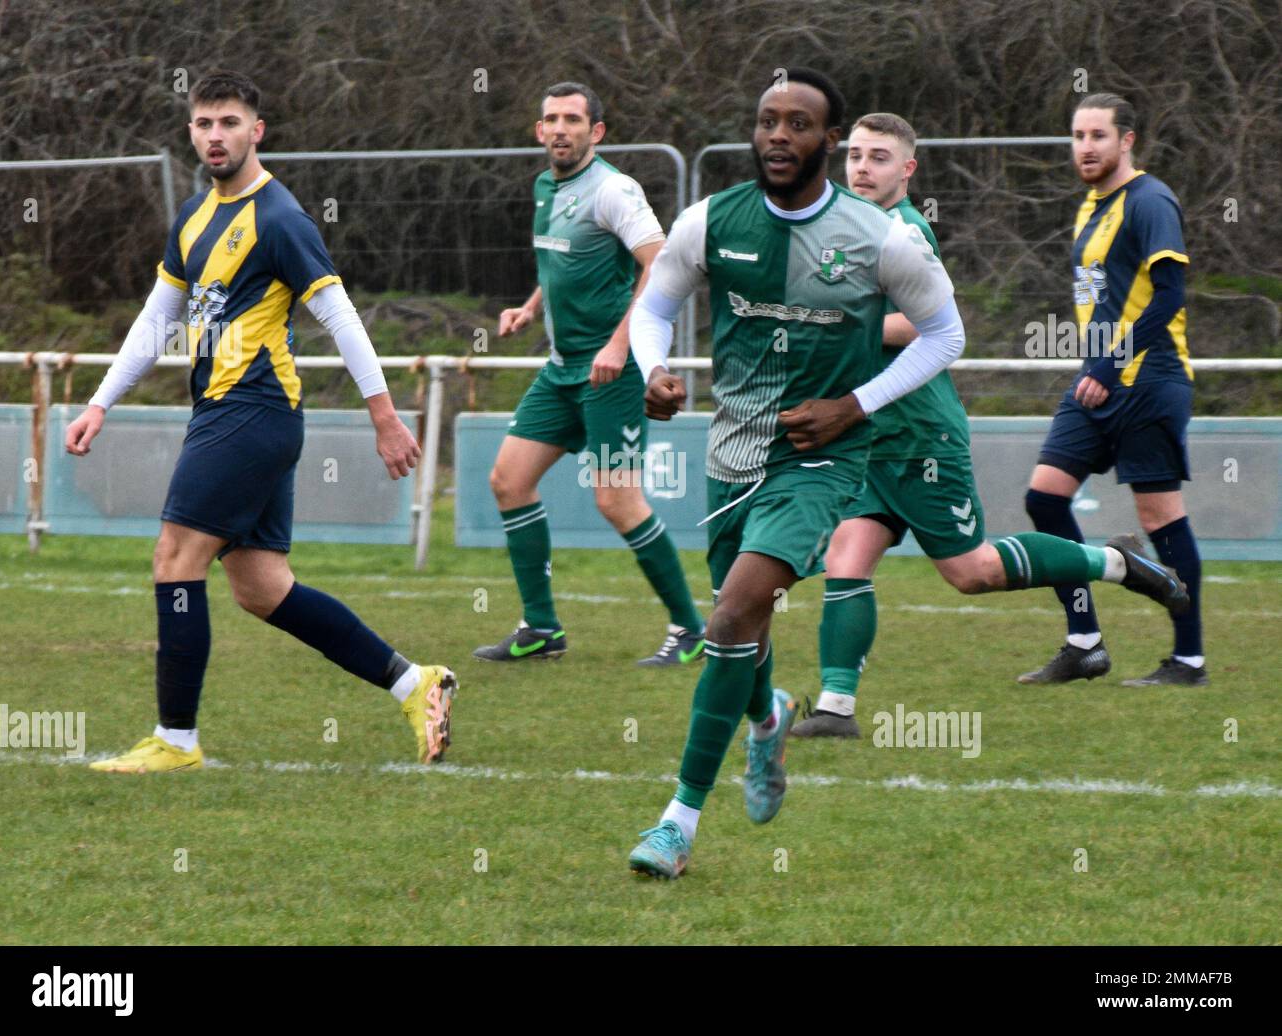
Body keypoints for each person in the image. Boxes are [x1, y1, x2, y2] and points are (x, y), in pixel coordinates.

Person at [623, 68, 968, 878]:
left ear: (830, 140)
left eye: (799, 124)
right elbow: (654, 306)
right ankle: (770, 717)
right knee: (745, 628)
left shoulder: (880, 237)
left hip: (820, 462)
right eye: (767, 121)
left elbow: (944, 335)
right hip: (730, 454)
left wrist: (854, 405)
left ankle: (676, 824)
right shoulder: (710, 221)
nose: (779, 135)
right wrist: (652, 369)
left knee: (734, 613)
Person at [64, 71, 456, 773]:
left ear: (257, 131)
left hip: (252, 413)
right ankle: (413, 681)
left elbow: (340, 316)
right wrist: (100, 402)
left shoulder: (279, 219)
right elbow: (158, 321)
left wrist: (385, 416)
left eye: (229, 123)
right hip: (232, 415)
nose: (216, 136)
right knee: (261, 587)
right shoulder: (191, 218)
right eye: (204, 123)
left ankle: (175, 741)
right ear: (191, 131)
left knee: (174, 558)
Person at [792, 113, 1189, 739]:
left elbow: (932, 326)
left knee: (972, 573)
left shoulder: (906, 232)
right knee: (847, 558)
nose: (862, 167)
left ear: (907, 170)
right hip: (867, 432)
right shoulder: (845, 227)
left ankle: (1116, 563)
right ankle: (836, 711)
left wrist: (840, 324)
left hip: (921, 436)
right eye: (856, 155)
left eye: (879, 157)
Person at [475, 81, 706, 667]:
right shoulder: (545, 186)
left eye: (573, 119)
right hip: (561, 371)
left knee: (617, 501)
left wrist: (620, 343)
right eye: (550, 118)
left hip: (612, 373)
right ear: (538, 130)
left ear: (595, 132)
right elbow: (560, 260)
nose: (560, 128)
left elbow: (661, 264)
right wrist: (530, 307)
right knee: (508, 480)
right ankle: (542, 629)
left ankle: (691, 630)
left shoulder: (613, 190)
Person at [1019, 93, 1205, 687]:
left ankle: (1189, 660)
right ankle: (1085, 642)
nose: (1086, 147)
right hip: (1097, 381)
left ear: (1127, 140)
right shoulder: (1089, 208)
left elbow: (1170, 296)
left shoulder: (1150, 200)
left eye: (1098, 135)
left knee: (1159, 516)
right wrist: (1093, 368)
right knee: (1045, 498)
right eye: (1077, 136)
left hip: (1148, 380)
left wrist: (1107, 365)